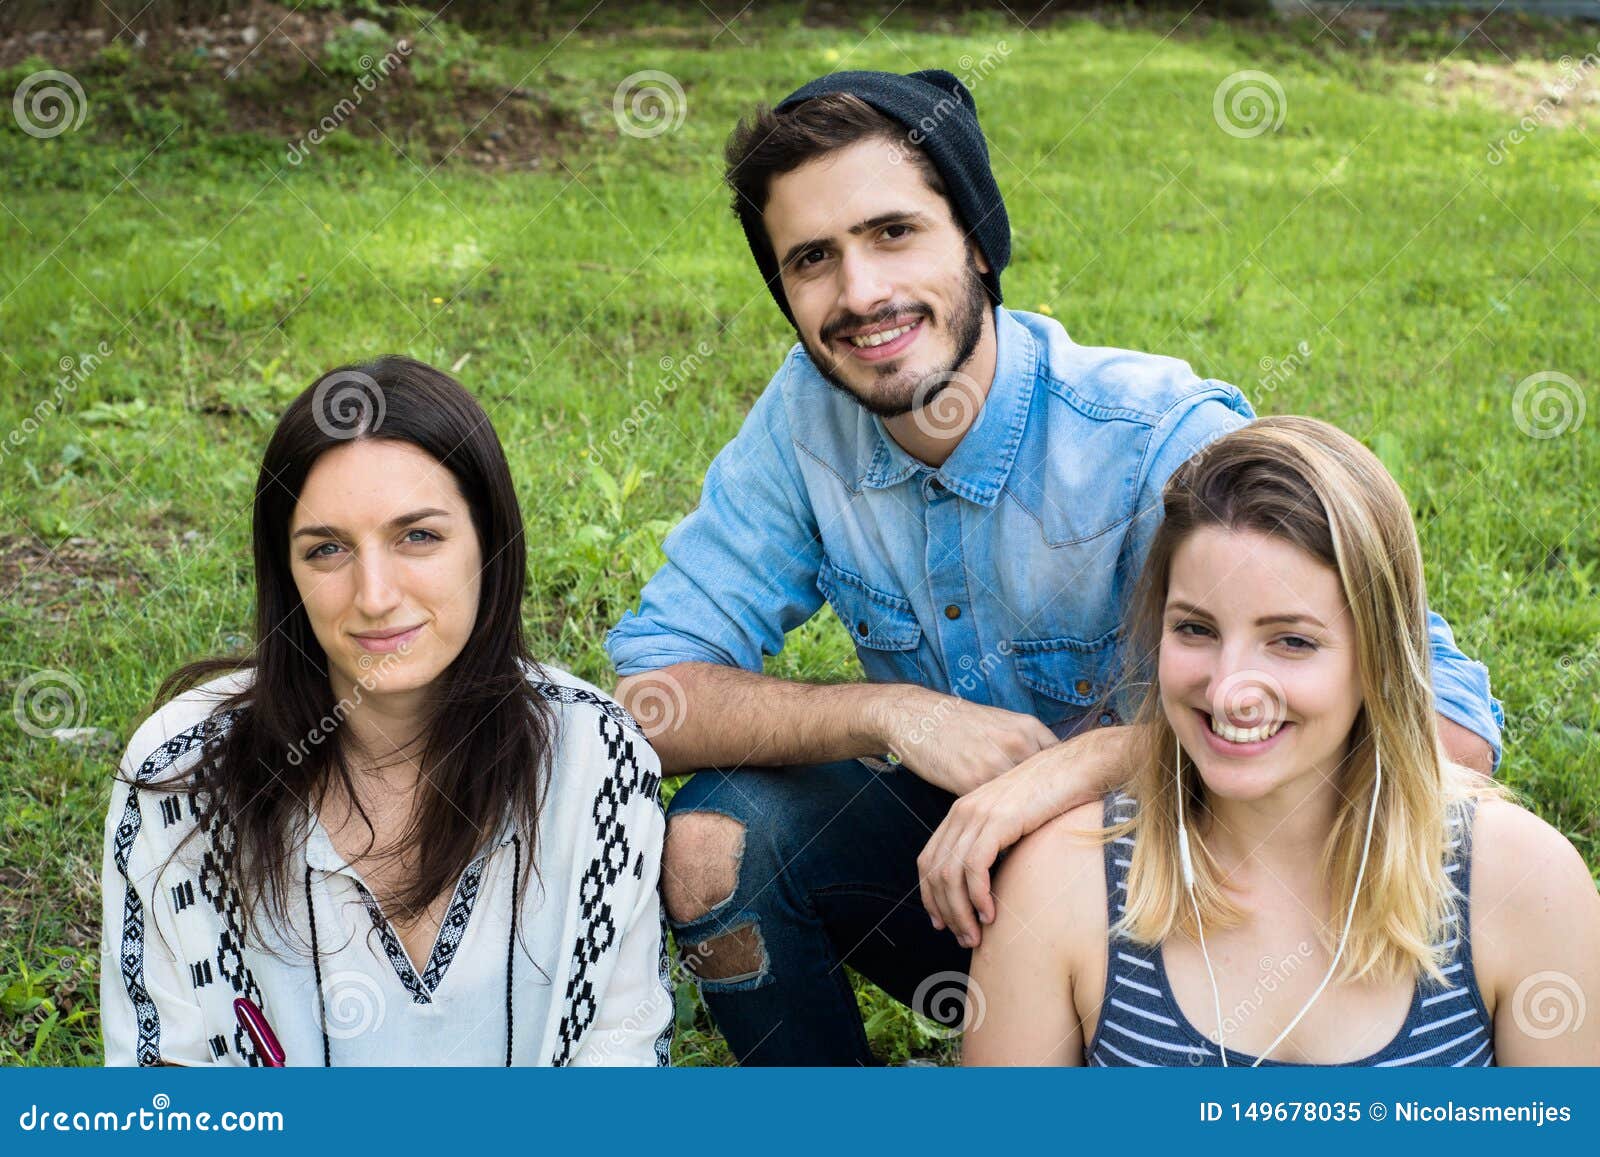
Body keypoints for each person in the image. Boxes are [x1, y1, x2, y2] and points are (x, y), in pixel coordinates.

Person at [605, 69, 1505, 1065]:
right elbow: (650, 699)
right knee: (714, 841)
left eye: (893, 232)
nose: (860, 294)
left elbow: (1451, 729)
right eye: (813, 259)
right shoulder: (802, 427)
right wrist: (892, 714)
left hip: (1210, 918)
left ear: (980, 245)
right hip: (975, 890)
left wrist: (1068, 774)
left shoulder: (1151, 434)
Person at [965, 417, 1599, 1067]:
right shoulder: (1058, 887)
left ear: (1378, 657)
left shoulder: (1524, 885)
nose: (1230, 688)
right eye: (1195, 628)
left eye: (1291, 640)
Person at [101, 357, 671, 1067]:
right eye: (327, 548)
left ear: (491, 548)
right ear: (287, 573)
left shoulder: (595, 759)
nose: (374, 594)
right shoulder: (183, 772)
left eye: (418, 536)